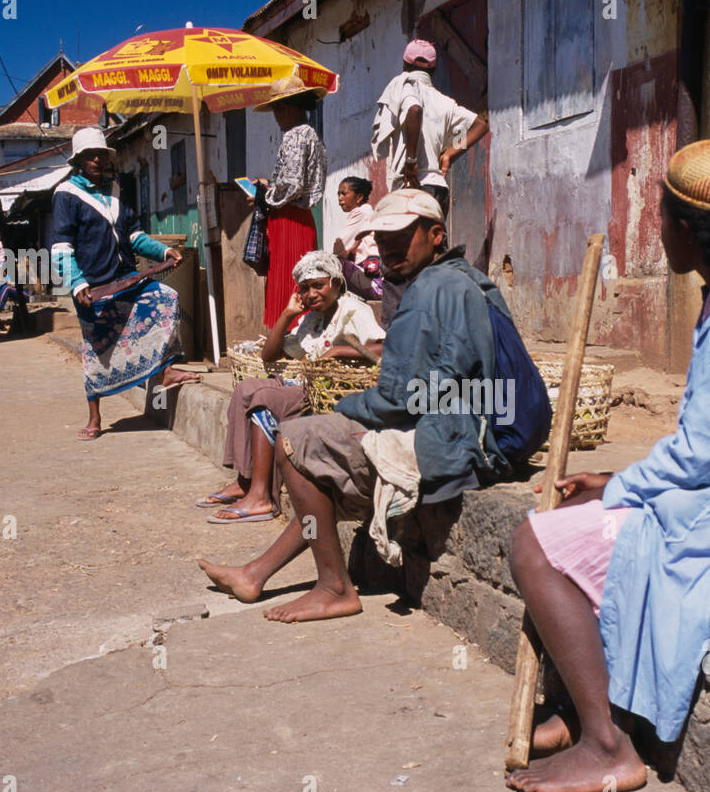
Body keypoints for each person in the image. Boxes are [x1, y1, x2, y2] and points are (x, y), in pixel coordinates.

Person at [504, 139, 710, 792]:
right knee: (569, 520)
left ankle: (610, 744)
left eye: (662, 220)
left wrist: (622, 485)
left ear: (689, 232)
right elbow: (707, 439)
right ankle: (584, 706)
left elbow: (704, 453)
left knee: (534, 547)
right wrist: (612, 485)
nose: (656, 231)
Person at [197, 189, 521, 623]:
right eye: (382, 241)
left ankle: (334, 587)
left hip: (455, 437)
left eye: (402, 238)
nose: (389, 250)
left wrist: (352, 407)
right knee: (322, 468)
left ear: (436, 235)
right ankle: (255, 573)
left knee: (294, 441)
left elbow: (410, 394)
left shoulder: (432, 291)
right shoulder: (458, 279)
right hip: (462, 423)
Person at [198, 250, 384, 523]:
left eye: (318, 285)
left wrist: (338, 351)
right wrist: (288, 314)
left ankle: (261, 495)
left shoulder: (354, 310)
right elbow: (269, 355)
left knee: (264, 396)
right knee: (245, 389)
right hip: (304, 384)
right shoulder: (312, 319)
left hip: (329, 391)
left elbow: (383, 346)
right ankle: (245, 481)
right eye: (305, 289)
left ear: (335, 282)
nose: (311, 294)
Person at [50, 127, 199, 441]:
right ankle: (95, 417)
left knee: (165, 298)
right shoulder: (66, 195)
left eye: (100, 154)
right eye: (90, 155)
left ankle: (164, 372)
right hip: (93, 289)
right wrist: (77, 285)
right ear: (77, 161)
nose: (97, 160)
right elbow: (61, 247)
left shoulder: (115, 190)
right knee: (98, 350)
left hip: (127, 279)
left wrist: (161, 250)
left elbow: (133, 236)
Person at [371, 40, 488, 215]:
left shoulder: (404, 85)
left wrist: (411, 161)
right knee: (436, 241)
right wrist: (450, 152)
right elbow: (480, 126)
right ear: (433, 71)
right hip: (438, 188)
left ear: (405, 64)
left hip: (413, 188)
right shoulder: (445, 102)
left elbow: (415, 110)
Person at [253, 75, 329, 330]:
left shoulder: (295, 135)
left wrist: (265, 194)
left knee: (290, 281)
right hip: (300, 218)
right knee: (302, 278)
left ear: (290, 107)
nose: (276, 116)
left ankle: (286, 339)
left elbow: (293, 184)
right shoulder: (312, 136)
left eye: (278, 108)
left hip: (289, 220)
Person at [331, 176, 386, 305]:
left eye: (344, 194)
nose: (340, 198)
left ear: (359, 197)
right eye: (338, 194)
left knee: (334, 264)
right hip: (381, 285)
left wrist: (351, 247)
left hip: (376, 287)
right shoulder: (368, 212)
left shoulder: (361, 213)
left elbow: (339, 249)